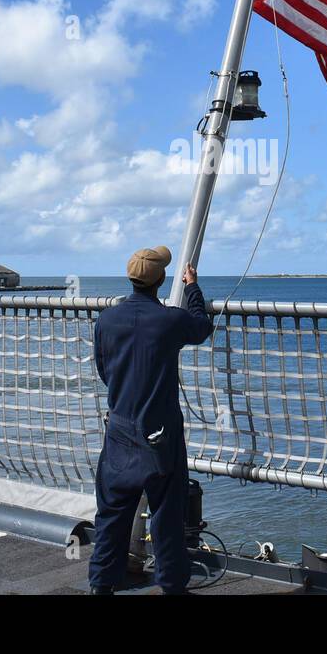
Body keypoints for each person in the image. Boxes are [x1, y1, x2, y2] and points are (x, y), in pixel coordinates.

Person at [88, 245, 214, 594]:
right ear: (160, 280)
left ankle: (101, 586)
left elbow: (104, 368)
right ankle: (173, 585)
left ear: (130, 279)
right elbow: (201, 326)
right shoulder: (169, 320)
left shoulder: (107, 320)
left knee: (111, 515)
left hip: (119, 428)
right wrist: (192, 288)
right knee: (167, 516)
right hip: (160, 434)